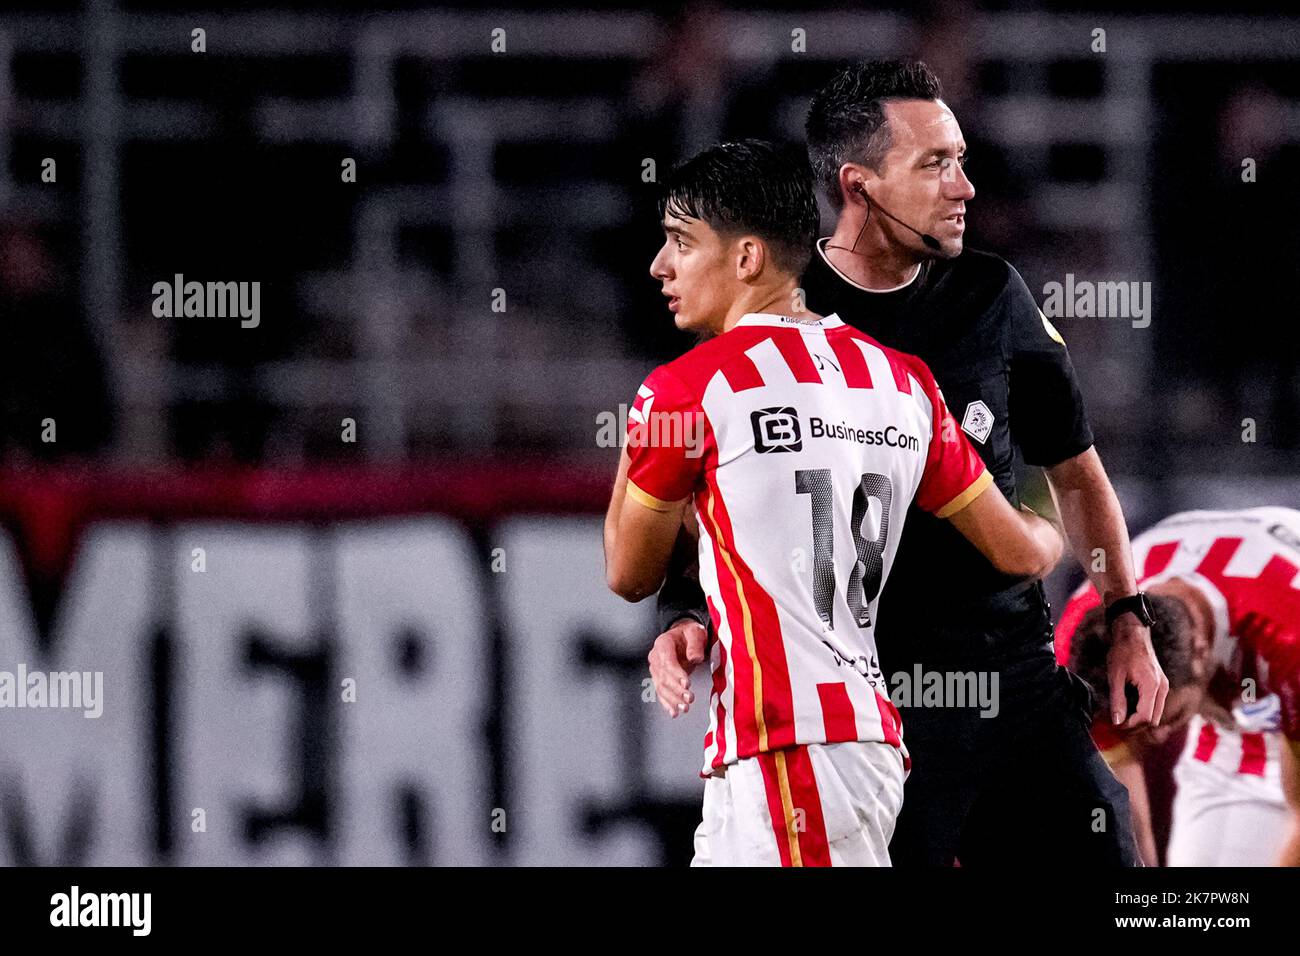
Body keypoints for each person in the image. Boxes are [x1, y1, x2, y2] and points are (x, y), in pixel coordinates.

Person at [649, 59, 1162, 866]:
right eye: (935, 165)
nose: (964, 188)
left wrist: (1125, 616)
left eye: (960, 160)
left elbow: (1075, 470)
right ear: (858, 185)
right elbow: (712, 486)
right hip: (879, 699)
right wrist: (686, 612)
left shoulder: (994, 295)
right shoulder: (780, 313)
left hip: (1017, 676)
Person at [604, 139, 1064, 866]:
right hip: (827, 744)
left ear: (747, 258)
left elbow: (629, 572)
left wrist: (637, 434)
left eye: (680, 243)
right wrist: (1054, 523)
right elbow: (1018, 550)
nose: (660, 265)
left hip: (793, 745)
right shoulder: (903, 381)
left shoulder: (688, 388)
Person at [1057, 507, 1300, 867]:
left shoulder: (1289, 632)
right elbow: (1113, 795)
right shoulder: (1085, 642)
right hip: (1237, 703)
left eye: (1168, 718)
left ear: (1201, 652)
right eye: (1138, 723)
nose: (1155, 738)